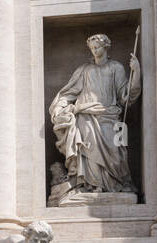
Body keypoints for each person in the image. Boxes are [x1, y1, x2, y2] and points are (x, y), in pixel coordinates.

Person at [49, 33, 141, 196]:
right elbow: (69, 92)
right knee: (88, 150)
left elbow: (126, 97)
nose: (94, 50)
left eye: (97, 47)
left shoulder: (116, 68)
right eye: (91, 48)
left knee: (115, 151)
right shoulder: (84, 70)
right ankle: (90, 186)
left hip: (109, 115)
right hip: (86, 116)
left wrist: (136, 73)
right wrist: (61, 107)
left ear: (106, 47)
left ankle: (115, 184)